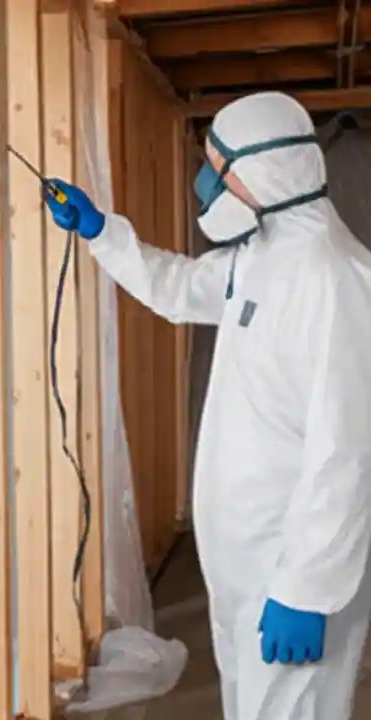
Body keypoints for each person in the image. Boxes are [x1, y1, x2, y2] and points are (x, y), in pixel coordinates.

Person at [48, 91, 371, 720]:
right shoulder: (261, 255)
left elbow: (349, 452)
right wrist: (102, 233)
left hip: (293, 571)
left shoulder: (334, 281)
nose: (206, 183)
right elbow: (177, 287)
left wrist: (308, 589)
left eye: (216, 167)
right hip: (248, 563)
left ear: (262, 171)